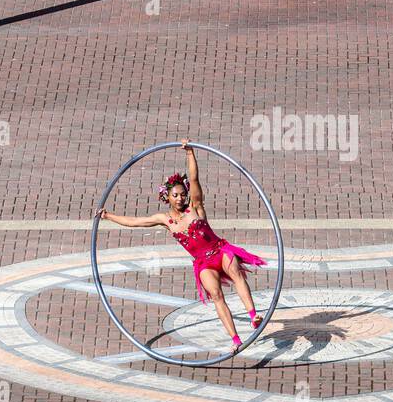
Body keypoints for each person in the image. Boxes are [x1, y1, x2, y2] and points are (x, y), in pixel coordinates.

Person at [97, 140, 266, 352]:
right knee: (215, 294)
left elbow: (194, 178)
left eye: (182, 194)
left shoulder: (195, 207)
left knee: (235, 272)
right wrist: (108, 216)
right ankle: (236, 340)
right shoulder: (165, 220)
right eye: (175, 195)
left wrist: (190, 153)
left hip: (220, 250)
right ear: (167, 197)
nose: (180, 198)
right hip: (204, 263)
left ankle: (253, 315)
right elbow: (134, 222)